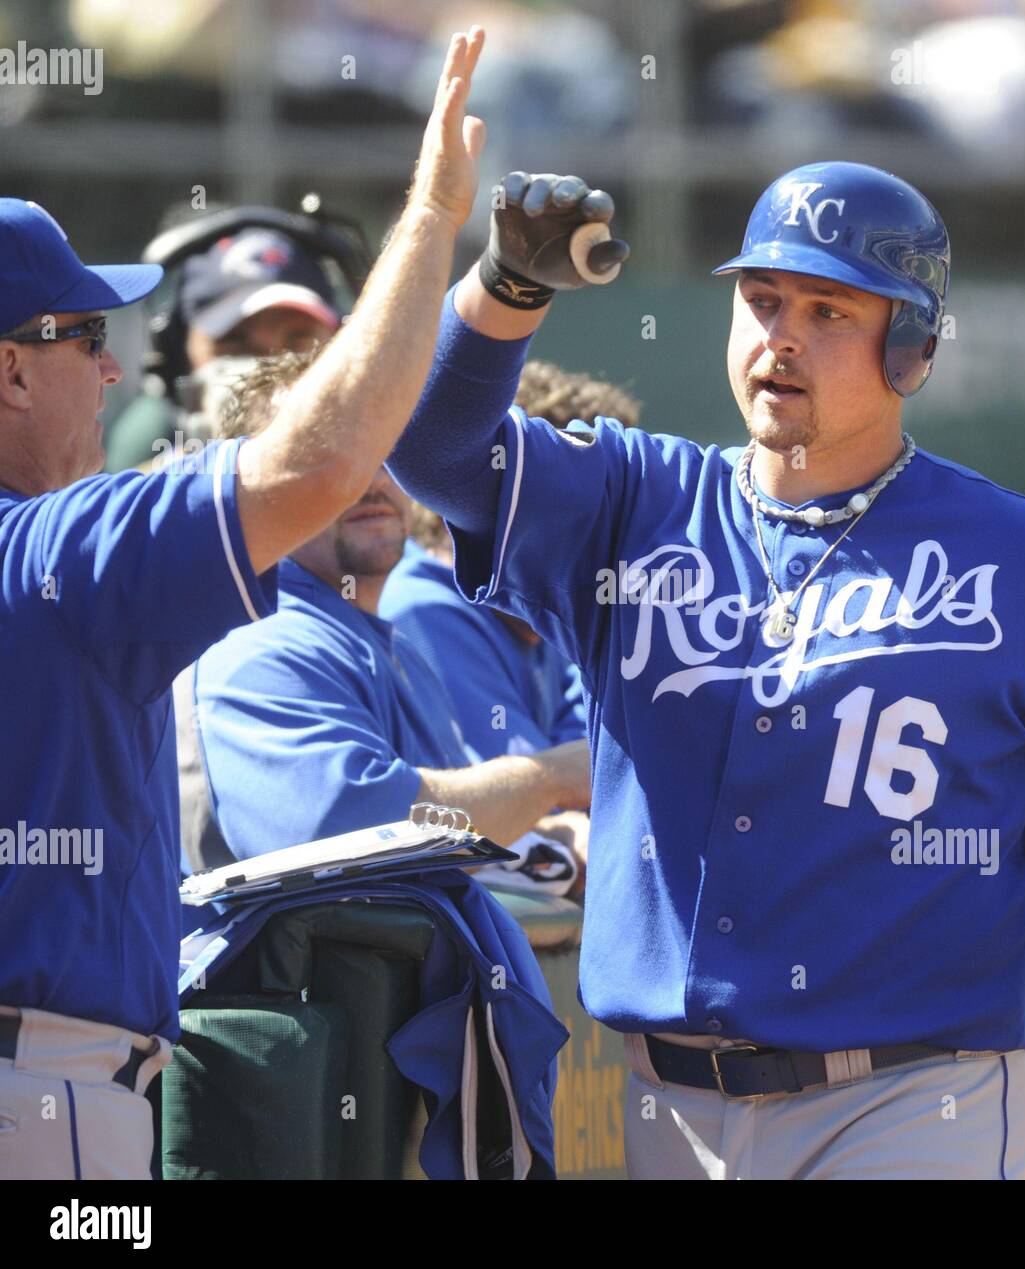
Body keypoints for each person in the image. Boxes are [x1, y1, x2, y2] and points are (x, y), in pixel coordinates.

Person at [385, 160, 1025, 1179]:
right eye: (760, 301)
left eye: (829, 309)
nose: (780, 335)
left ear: (912, 347)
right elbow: (434, 456)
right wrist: (503, 289)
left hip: (918, 1100)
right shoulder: (634, 499)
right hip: (665, 1107)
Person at [0, 25, 489, 1180]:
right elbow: (312, 472)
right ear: (10, 369)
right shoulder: (53, 549)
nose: (111, 367)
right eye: (82, 334)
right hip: (42, 1106)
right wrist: (428, 224)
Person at [180, 348, 590, 881]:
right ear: (247, 484)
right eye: (325, 453)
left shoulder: (384, 642)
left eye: (385, 444)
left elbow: (452, 830)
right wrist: (548, 780)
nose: (371, 478)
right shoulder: (255, 642)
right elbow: (348, 835)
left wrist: (548, 837)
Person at [381, 362, 640, 762]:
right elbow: (539, 795)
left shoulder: (548, 606)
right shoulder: (422, 608)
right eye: (599, 495)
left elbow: (597, 746)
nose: (616, 517)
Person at [104, 224, 342, 473]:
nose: (270, 366)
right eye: (236, 343)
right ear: (177, 353)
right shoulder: (150, 439)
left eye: (297, 340)